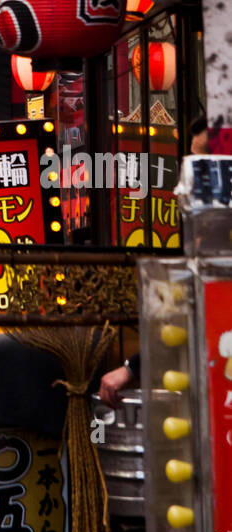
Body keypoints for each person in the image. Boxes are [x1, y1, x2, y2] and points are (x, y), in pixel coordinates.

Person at [99, 115, 209, 407]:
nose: (188, 185)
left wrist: (131, 368)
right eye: (194, 164)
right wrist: (133, 368)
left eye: (204, 164)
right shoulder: (207, 242)